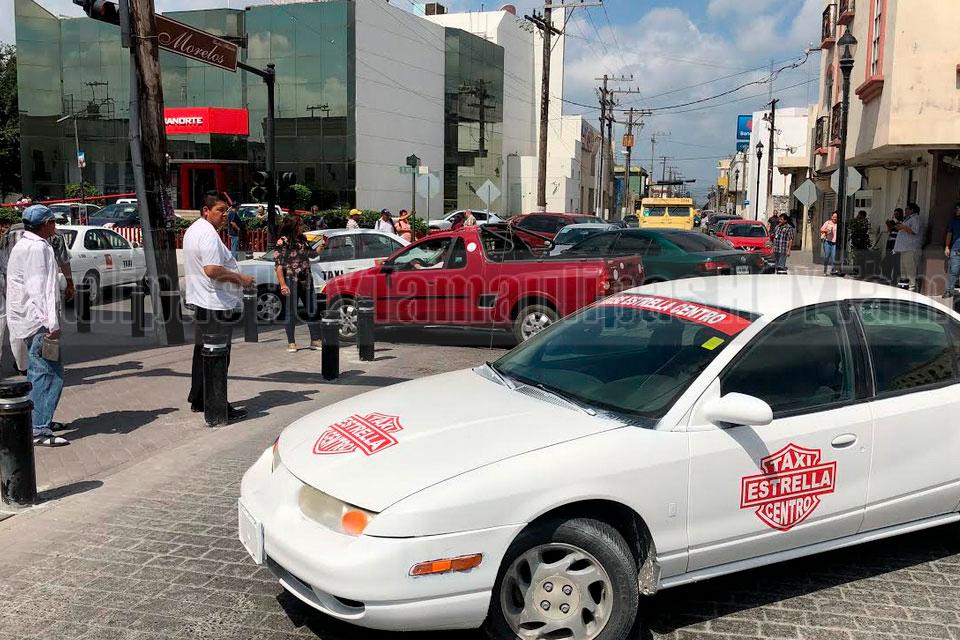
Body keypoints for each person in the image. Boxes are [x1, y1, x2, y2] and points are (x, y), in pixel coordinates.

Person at [185, 192, 255, 421]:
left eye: (225, 211)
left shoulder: (194, 229)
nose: (224, 215)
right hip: (214, 303)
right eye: (219, 211)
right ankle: (217, 404)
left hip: (203, 300)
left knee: (203, 353)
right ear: (206, 211)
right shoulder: (207, 234)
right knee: (218, 355)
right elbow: (212, 270)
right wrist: (240, 278)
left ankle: (199, 398)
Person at [7, 206, 69, 446]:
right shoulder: (38, 247)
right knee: (49, 373)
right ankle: (39, 428)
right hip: (38, 321)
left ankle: (40, 417)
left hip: (27, 319)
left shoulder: (23, 244)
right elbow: (39, 289)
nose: (55, 226)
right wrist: (51, 323)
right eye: (53, 222)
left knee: (40, 371)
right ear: (45, 224)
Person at [274, 216, 322, 352]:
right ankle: (291, 342)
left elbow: (312, 255)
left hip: (306, 279)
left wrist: (321, 247)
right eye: (300, 225)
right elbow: (278, 265)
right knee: (290, 311)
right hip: (291, 280)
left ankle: (315, 340)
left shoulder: (303, 240)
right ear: (294, 226)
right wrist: (283, 284)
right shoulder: (282, 241)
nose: (302, 227)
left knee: (312, 309)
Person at [893, 202, 923, 291]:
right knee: (904, 269)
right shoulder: (908, 219)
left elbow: (914, 231)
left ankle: (912, 287)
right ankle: (904, 286)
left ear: (912, 210)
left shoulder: (915, 219)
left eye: (907, 209)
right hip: (904, 249)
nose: (905, 211)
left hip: (910, 249)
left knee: (910, 269)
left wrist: (903, 227)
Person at [944, 202, 960, 297]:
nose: (956, 210)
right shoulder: (953, 221)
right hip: (956, 250)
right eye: (956, 209)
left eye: (958, 209)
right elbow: (949, 234)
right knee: (953, 271)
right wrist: (947, 246)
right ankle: (949, 291)